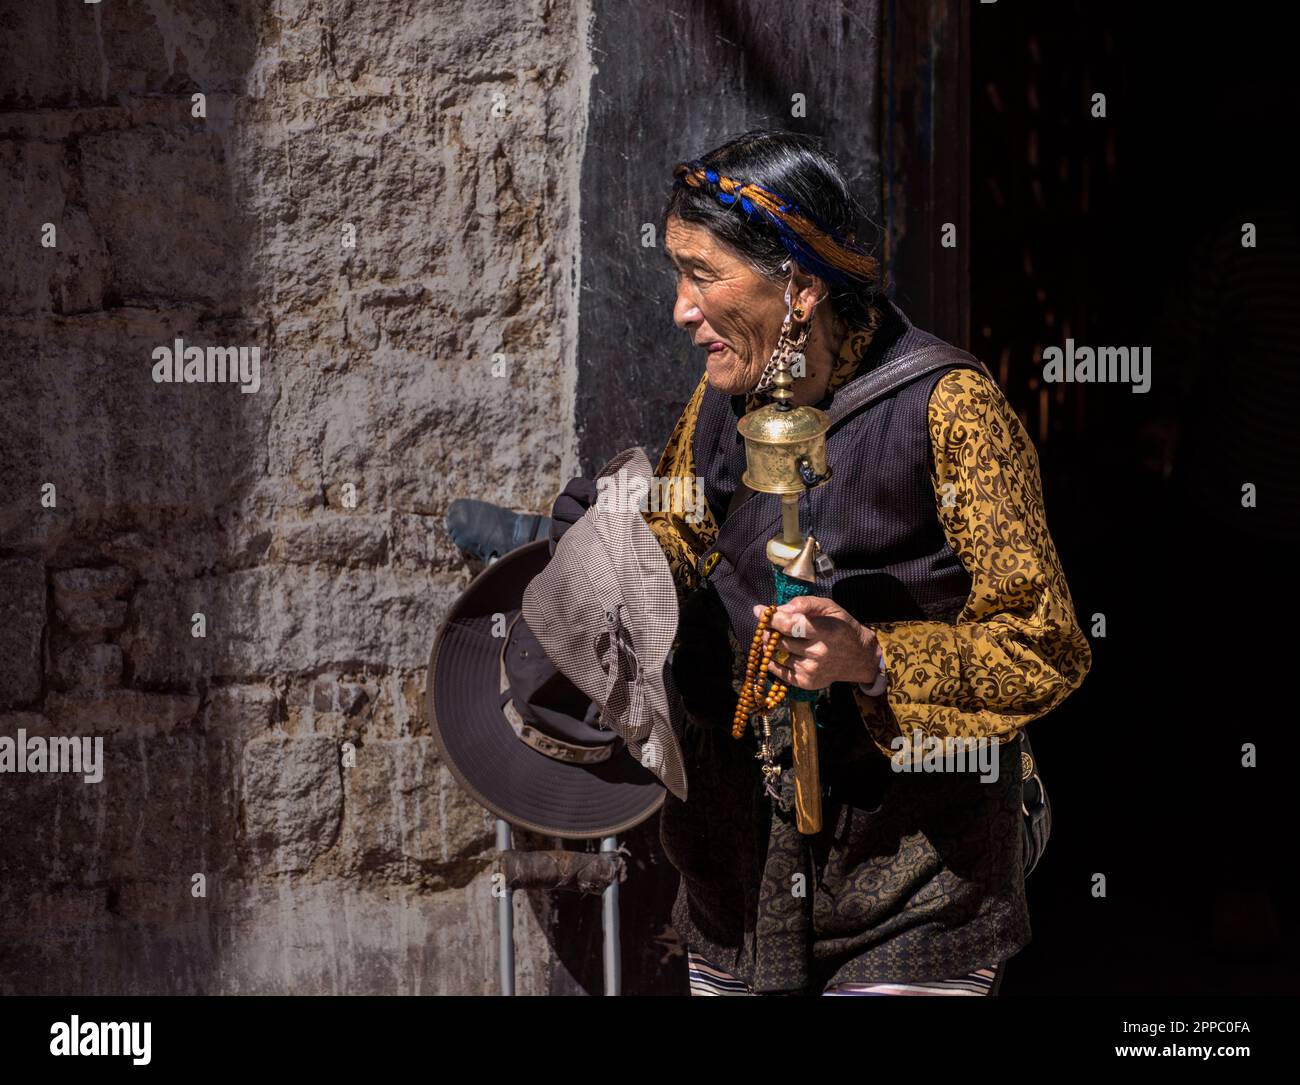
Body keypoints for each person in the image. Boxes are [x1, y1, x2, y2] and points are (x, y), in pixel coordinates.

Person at [553, 129, 1091, 997]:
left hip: (912, 874)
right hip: (737, 871)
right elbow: (686, 538)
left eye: (703, 274)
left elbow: (1044, 645)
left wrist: (872, 659)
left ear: (799, 288)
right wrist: (616, 546)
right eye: (676, 274)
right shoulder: (726, 395)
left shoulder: (950, 409)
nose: (681, 310)